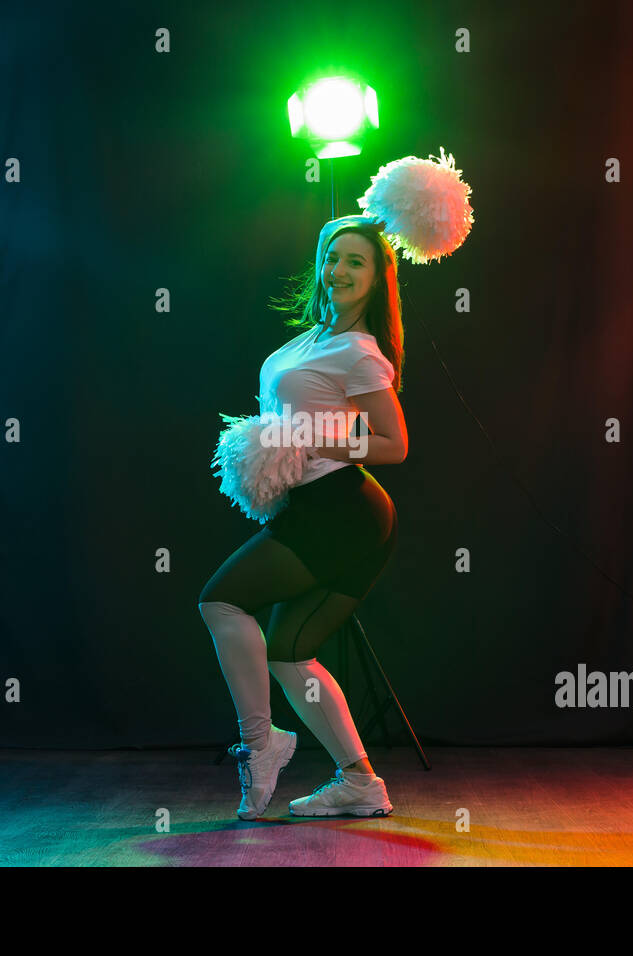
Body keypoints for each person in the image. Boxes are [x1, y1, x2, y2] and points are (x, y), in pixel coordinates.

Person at [199, 215, 408, 820]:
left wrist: (307, 435)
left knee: (221, 601)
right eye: (332, 257)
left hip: (346, 511)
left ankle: (261, 744)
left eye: (356, 262)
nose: (339, 270)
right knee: (288, 652)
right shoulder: (308, 339)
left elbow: (393, 445)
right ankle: (361, 782)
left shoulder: (359, 352)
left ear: (376, 279)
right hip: (316, 510)